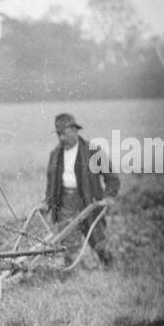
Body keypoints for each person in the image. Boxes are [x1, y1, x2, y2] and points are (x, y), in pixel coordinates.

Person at [44, 112, 118, 268]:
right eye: (59, 135)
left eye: (64, 134)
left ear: (74, 130)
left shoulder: (92, 151)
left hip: (89, 201)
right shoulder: (55, 154)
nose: (61, 138)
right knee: (68, 245)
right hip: (66, 203)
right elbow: (51, 183)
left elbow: (112, 177)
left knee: (99, 241)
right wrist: (47, 202)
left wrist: (109, 196)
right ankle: (72, 274)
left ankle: (110, 268)